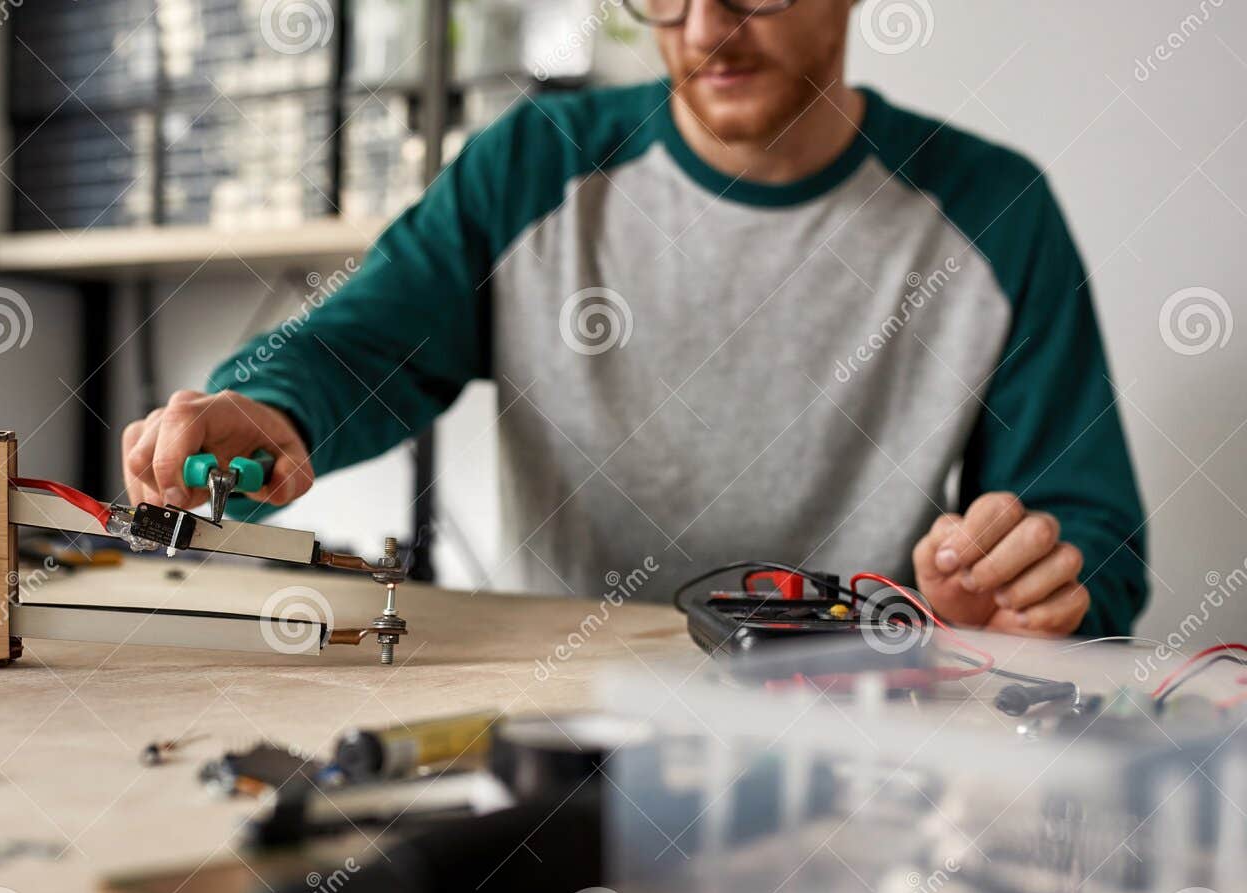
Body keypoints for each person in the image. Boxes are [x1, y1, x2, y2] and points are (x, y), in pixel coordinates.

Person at [121, 0, 1147, 637]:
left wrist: (1019, 603)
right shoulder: (533, 164)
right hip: (568, 727)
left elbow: (1088, 532)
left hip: (863, 720)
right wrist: (269, 410)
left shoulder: (995, 211)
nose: (703, 29)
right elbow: (361, 346)